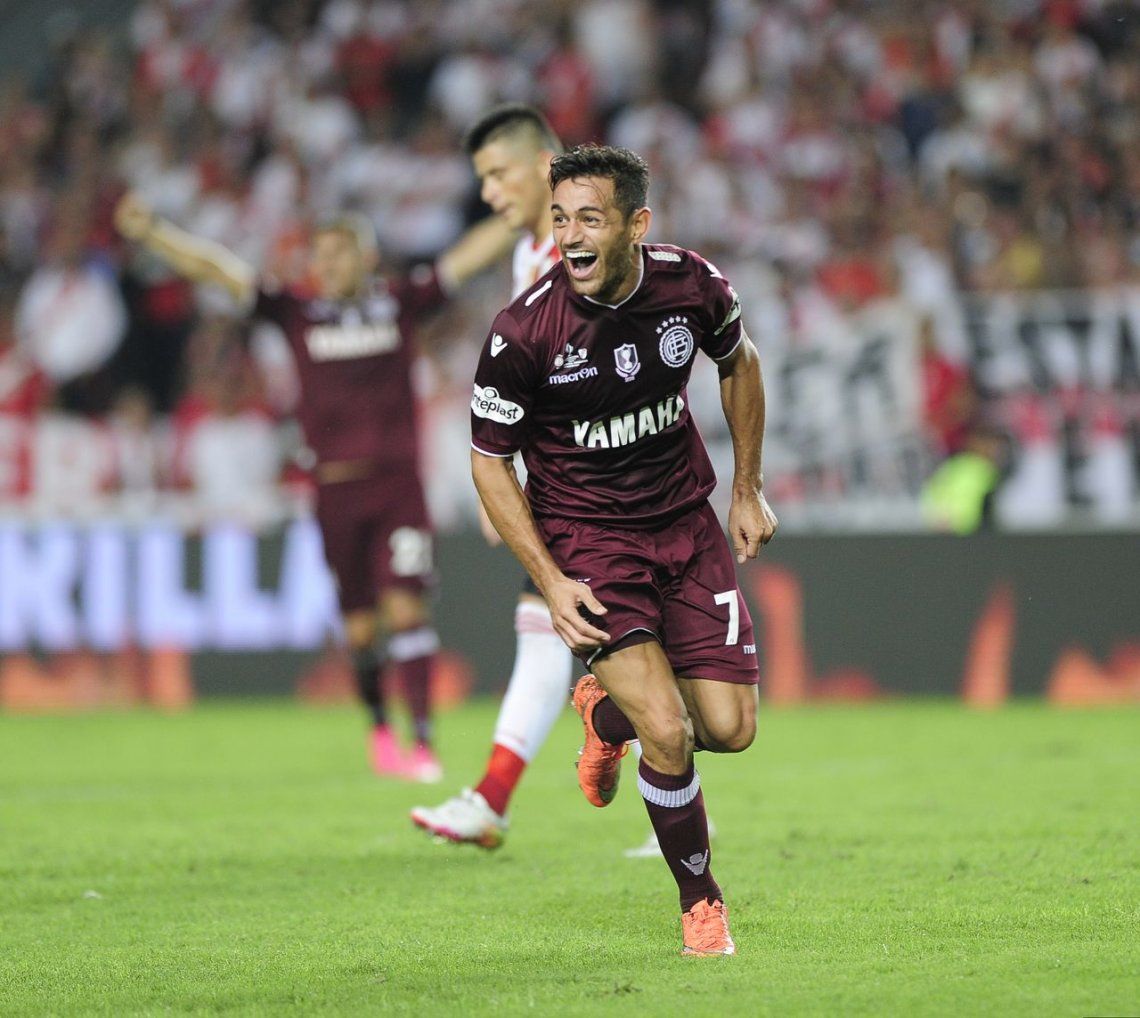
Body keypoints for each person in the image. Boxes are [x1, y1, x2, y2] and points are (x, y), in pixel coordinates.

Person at [469, 144, 777, 956]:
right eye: (561, 217)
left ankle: (605, 716)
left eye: (590, 219)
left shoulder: (691, 285)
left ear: (637, 225)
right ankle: (701, 902)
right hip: (589, 543)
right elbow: (488, 461)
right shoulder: (524, 331)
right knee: (670, 735)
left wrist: (746, 486)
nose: (570, 235)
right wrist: (548, 579)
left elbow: (738, 363)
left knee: (731, 727)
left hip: (684, 522)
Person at [115, 192, 511, 782]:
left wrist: (525, 212)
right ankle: (380, 729)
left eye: (338, 252)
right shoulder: (297, 311)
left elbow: (466, 256)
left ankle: (423, 742)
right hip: (333, 490)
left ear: (366, 256)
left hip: (398, 485)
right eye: (319, 255)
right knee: (359, 628)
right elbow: (217, 268)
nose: (326, 265)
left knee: (406, 609)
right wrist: (154, 234)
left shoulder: (397, 304)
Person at [410, 104, 570, 847]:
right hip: (576, 475)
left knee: (560, 633)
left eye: (498, 174)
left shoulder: (578, 250)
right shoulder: (531, 251)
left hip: (605, 475)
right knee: (568, 635)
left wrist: (506, 469)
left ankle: (492, 799)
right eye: (482, 180)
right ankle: (495, 798)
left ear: (543, 166)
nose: (490, 192)